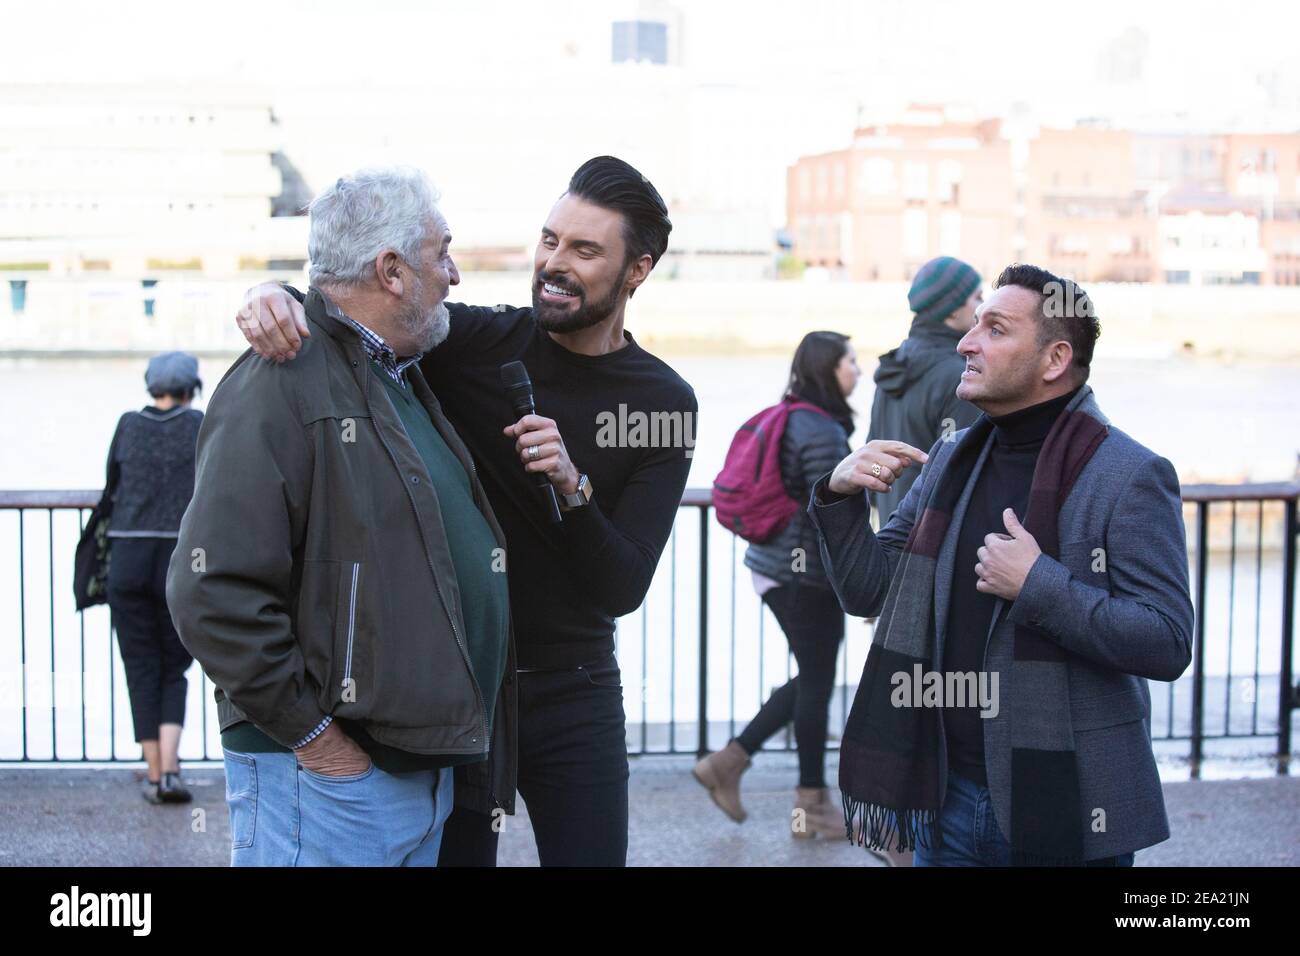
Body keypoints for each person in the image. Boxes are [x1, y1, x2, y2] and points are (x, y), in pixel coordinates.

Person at [233, 156, 696, 867]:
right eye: (549, 240)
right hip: (461, 690)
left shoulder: (663, 404)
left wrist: (574, 487)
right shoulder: (473, 343)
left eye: (584, 249)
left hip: (576, 693)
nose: (553, 263)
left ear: (638, 269)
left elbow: (623, 587)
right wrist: (275, 293)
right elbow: (361, 310)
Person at [168, 167, 515, 866]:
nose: (453, 274)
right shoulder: (280, 378)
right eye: (441, 252)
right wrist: (319, 742)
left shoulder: (396, 371)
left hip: (407, 772)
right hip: (331, 783)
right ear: (391, 270)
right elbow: (209, 590)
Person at [811, 264, 1194, 866]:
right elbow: (869, 593)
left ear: (1054, 359)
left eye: (995, 329)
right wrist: (837, 499)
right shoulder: (950, 457)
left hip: (1069, 804)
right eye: (974, 324)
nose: (966, 341)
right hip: (945, 796)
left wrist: (1039, 584)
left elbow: (1167, 641)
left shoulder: (1129, 475)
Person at [693, 332, 861, 841]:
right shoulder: (823, 430)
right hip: (803, 574)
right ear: (826, 369)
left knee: (813, 676)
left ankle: (728, 762)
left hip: (773, 566)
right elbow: (829, 513)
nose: (858, 369)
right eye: (850, 360)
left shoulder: (792, 414)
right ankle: (810, 804)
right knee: (816, 680)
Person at [104, 351, 203, 804]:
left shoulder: (128, 424)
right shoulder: (199, 426)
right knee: (175, 666)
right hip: (177, 561)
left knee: (140, 664)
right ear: (190, 389)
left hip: (126, 557)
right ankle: (172, 771)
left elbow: (112, 487)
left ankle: (152, 772)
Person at [867, 256, 983, 525]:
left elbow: (871, 464)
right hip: (932, 543)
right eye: (977, 297)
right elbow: (967, 478)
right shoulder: (961, 376)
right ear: (952, 310)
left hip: (891, 534)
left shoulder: (892, 366)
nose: (982, 308)